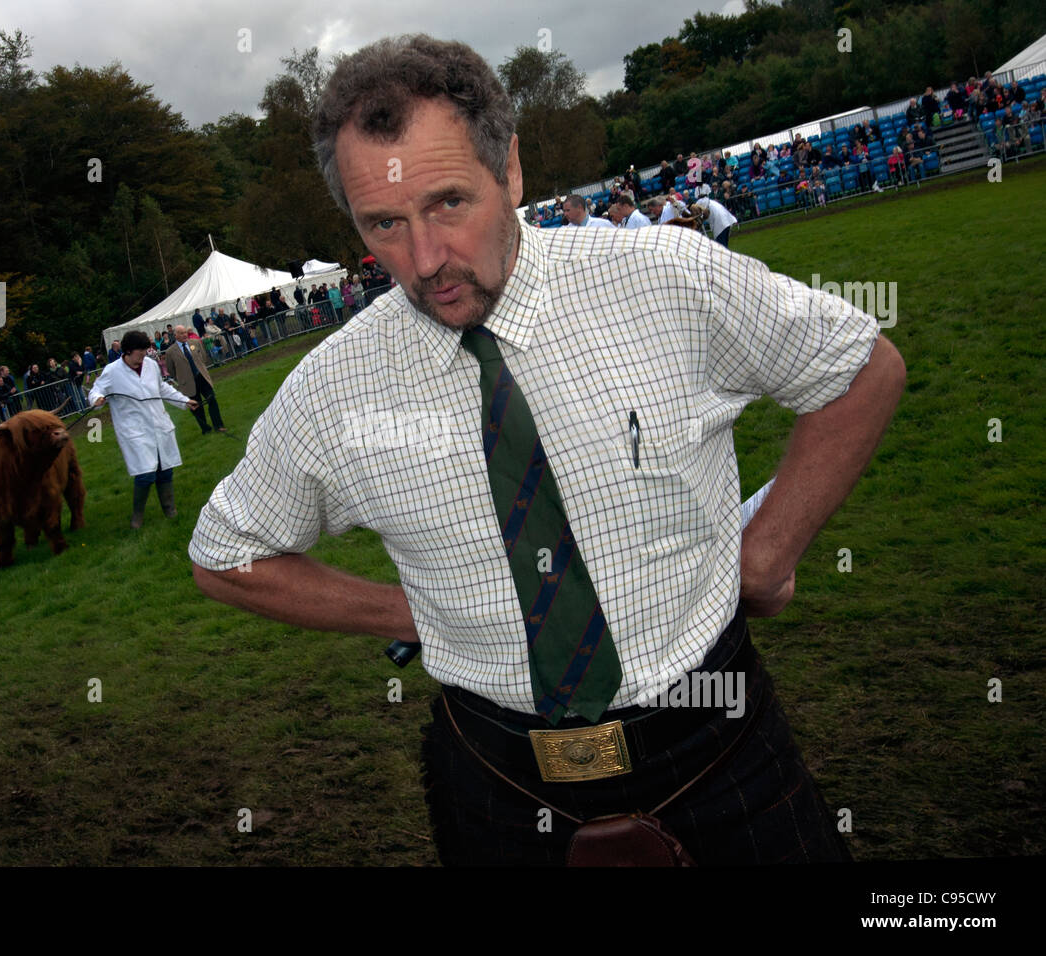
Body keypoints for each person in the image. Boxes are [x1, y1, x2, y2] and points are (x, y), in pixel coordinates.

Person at [187, 33, 906, 867]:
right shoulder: (332, 390)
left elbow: (860, 367)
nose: (424, 260)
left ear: (512, 171)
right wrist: (416, 614)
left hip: (718, 747)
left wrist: (767, 552)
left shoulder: (665, 278)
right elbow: (225, 555)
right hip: (499, 784)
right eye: (383, 223)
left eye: (449, 203)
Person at [88, 329, 199, 529]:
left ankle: (170, 510)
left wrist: (184, 401)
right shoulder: (112, 371)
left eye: (145, 353)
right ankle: (137, 517)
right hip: (134, 430)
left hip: (158, 423)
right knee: (146, 473)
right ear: (128, 352)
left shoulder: (150, 365)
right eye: (139, 354)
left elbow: (162, 388)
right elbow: (96, 390)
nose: (142, 358)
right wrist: (97, 399)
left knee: (165, 469)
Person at [164, 326, 229, 437]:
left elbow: (203, 357)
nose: (185, 335)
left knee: (212, 399)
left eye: (185, 332)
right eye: (181, 333)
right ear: (176, 335)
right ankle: (205, 429)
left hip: (202, 377)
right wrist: (182, 378)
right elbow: (171, 369)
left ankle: (218, 425)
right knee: (196, 407)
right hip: (187, 383)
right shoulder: (170, 351)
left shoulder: (195, 342)